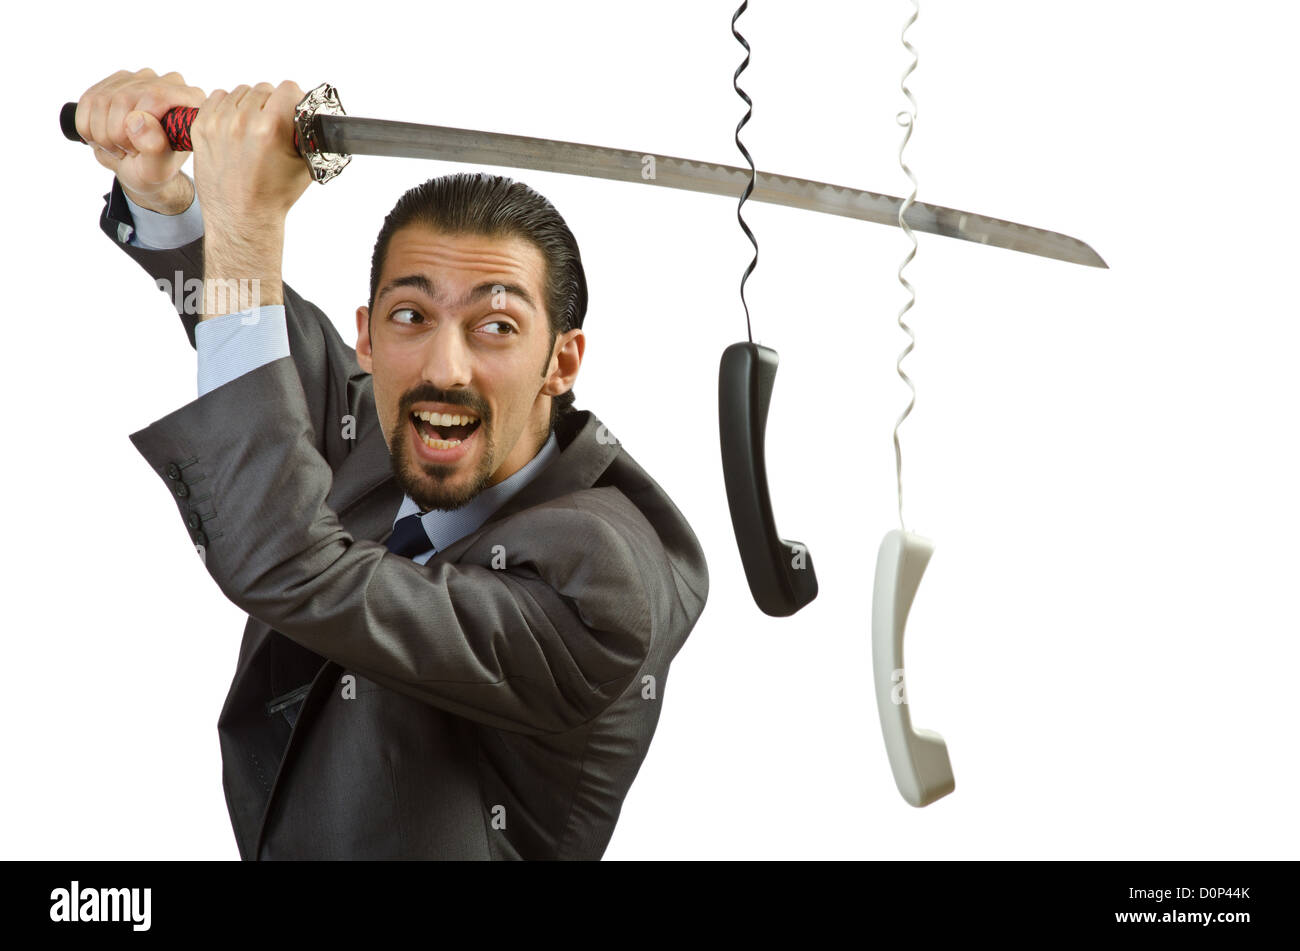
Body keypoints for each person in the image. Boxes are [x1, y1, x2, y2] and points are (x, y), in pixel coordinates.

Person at [74, 68, 710, 859]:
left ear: (563, 359)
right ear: (368, 341)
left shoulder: (603, 583)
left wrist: (250, 226)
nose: (445, 368)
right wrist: (169, 198)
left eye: (497, 326)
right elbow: (269, 344)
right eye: (410, 315)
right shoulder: (386, 423)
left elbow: (290, 562)